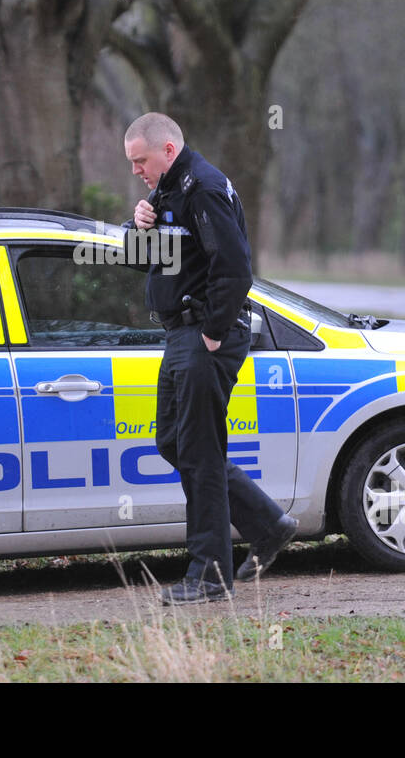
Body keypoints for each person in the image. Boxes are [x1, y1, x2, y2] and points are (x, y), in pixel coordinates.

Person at [122, 112, 299, 605]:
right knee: (175, 441)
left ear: (168, 150)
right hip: (181, 334)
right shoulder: (169, 190)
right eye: (133, 163)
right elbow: (146, 257)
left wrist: (215, 333)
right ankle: (265, 523)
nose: (137, 170)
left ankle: (208, 574)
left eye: (141, 161)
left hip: (203, 333)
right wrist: (136, 225)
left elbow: (235, 266)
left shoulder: (202, 187)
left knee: (198, 454)